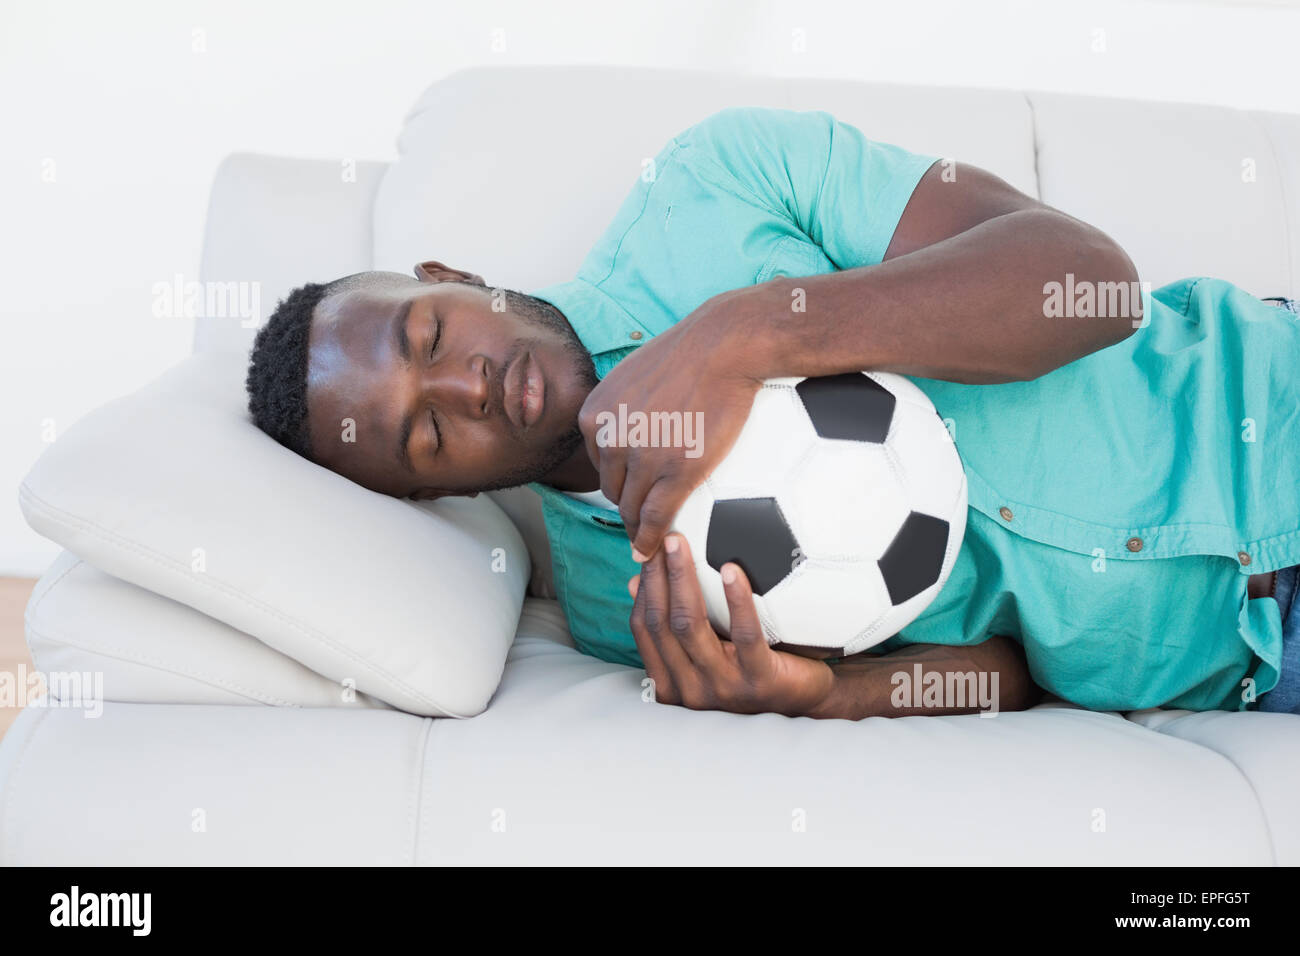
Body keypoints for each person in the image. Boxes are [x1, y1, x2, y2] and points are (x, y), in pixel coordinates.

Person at [245, 106, 1300, 719]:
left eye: (431, 335)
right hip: (1255, 659)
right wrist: (830, 695)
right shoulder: (630, 610)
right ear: (449, 490)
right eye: (427, 434)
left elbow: (1095, 285)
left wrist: (752, 332)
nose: (467, 386)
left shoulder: (717, 184)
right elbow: (1010, 667)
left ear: (453, 274)